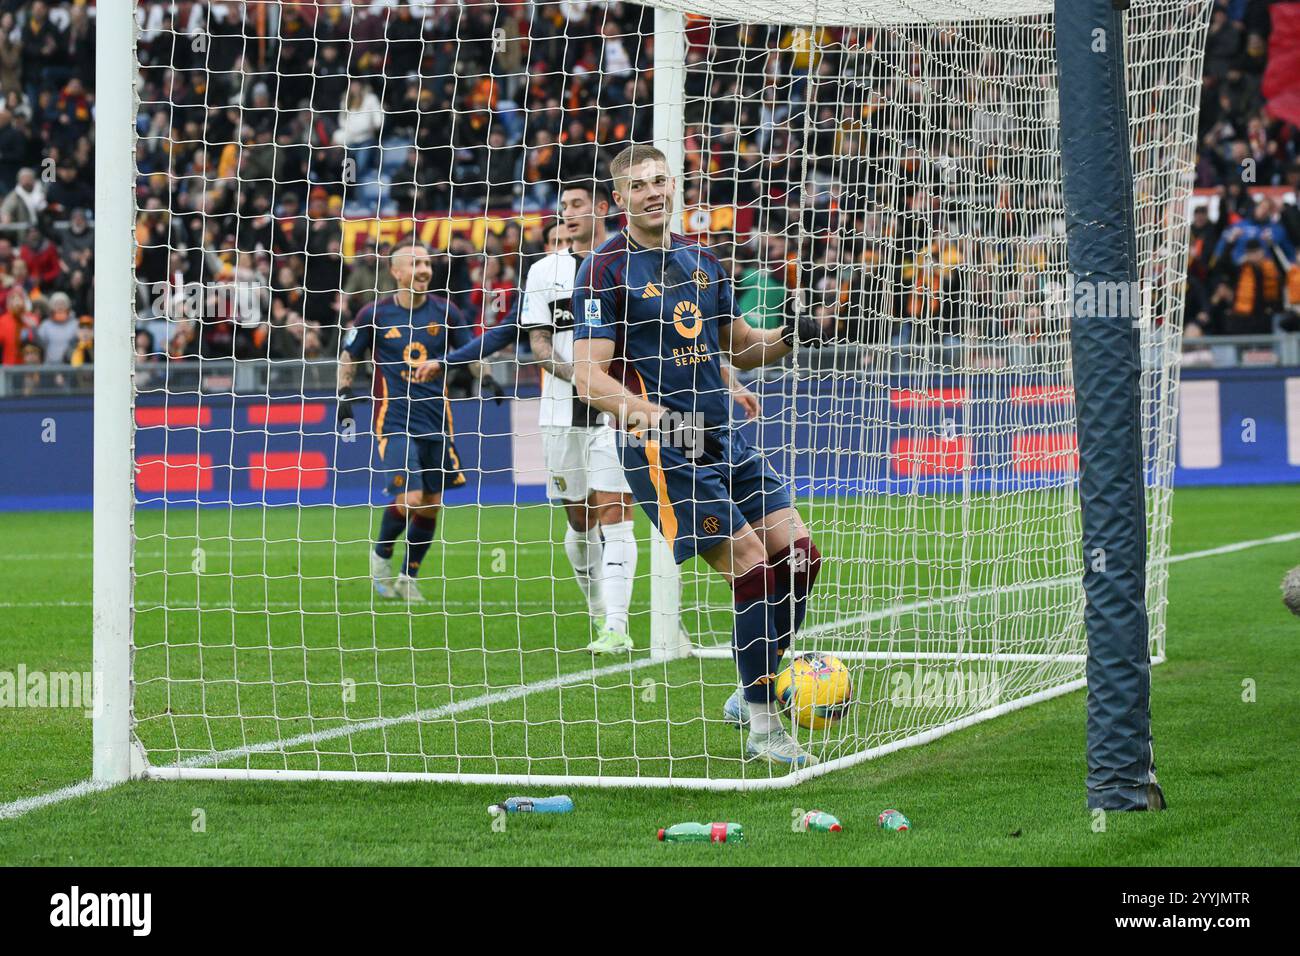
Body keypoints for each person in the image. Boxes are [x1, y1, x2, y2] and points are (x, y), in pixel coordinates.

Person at [570, 144, 832, 768]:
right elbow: (589, 377)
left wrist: (792, 334)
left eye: (662, 180)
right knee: (748, 563)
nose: (654, 192)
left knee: (799, 558)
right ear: (621, 200)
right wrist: (663, 421)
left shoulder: (703, 259)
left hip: (726, 435)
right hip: (665, 448)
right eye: (639, 186)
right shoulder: (605, 270)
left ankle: (752, 686)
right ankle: (766, 726)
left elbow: (737, 350)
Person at [337, 243, 475, 603]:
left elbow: (471, 350)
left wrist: (486, 376)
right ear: (396, 272)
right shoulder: (374, 313)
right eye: (414, 264)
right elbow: (349, 353)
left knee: (431, 503)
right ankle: (380, 557)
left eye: (427, 263)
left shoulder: (447, 311)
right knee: (411, 497)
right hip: (394, 419)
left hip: (437, 421)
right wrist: (344, 396)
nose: (423, 269)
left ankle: (407, 577)